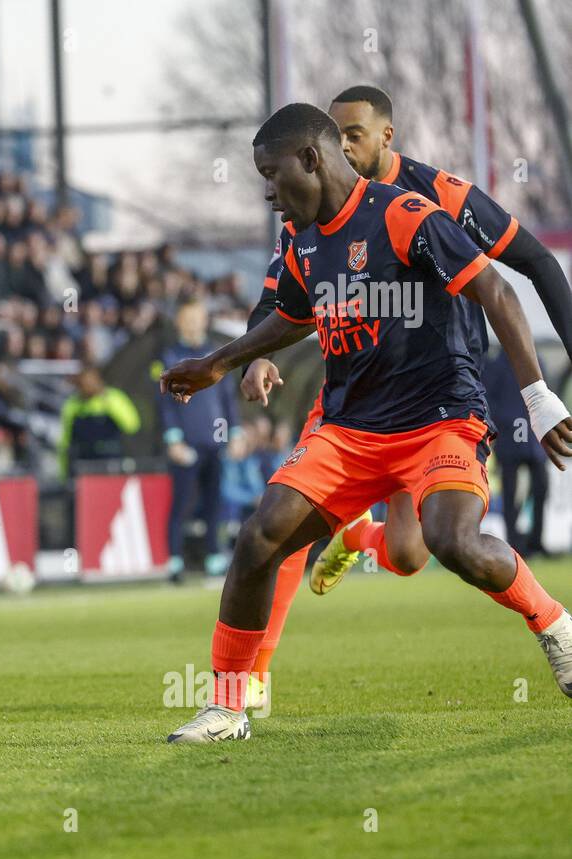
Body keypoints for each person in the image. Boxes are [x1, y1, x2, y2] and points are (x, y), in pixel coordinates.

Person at [160, 102, 572, 744]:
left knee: (447, 545)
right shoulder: (303, 238)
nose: (268, 192)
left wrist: (539, 399)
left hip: (439, 418)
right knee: (259, 540)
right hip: (351, 429)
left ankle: (555, 626)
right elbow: (292, 314)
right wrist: (223, 361)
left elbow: (496, 291)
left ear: (310, 160)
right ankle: (229, 708)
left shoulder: (405, 214)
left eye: (271, 174)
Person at [156, 298, 241, 580]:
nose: (193, 323)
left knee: (215, 502)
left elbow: (227, 397)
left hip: (214, 441)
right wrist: (173, 439)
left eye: (198, 318)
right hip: (187, 443)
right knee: (181, 503)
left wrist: (236, 432)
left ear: (205, 320)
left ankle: (214, 558)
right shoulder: (170, 357)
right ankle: (175, 562)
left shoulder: (216, 354)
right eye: (188, 318)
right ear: (179, 321)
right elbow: (167, 403)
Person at [484, 349, 550, 557]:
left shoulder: (536, 359)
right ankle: (515, 543)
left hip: (534, 439)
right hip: (510, 440)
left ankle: (536, 541)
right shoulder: (496, 366)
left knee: (541, 488)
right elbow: (488, 400)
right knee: (510, 495)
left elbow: (547, 394)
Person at [58, 365, 140, 480]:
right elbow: (64, 443)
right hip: (83, 464)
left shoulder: (114, 397)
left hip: (111, 463)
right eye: (84, 382)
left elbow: (132, 425)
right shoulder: (73, 405)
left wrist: (106, 401)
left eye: (91, 381)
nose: (88, 386)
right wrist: (63, 474)